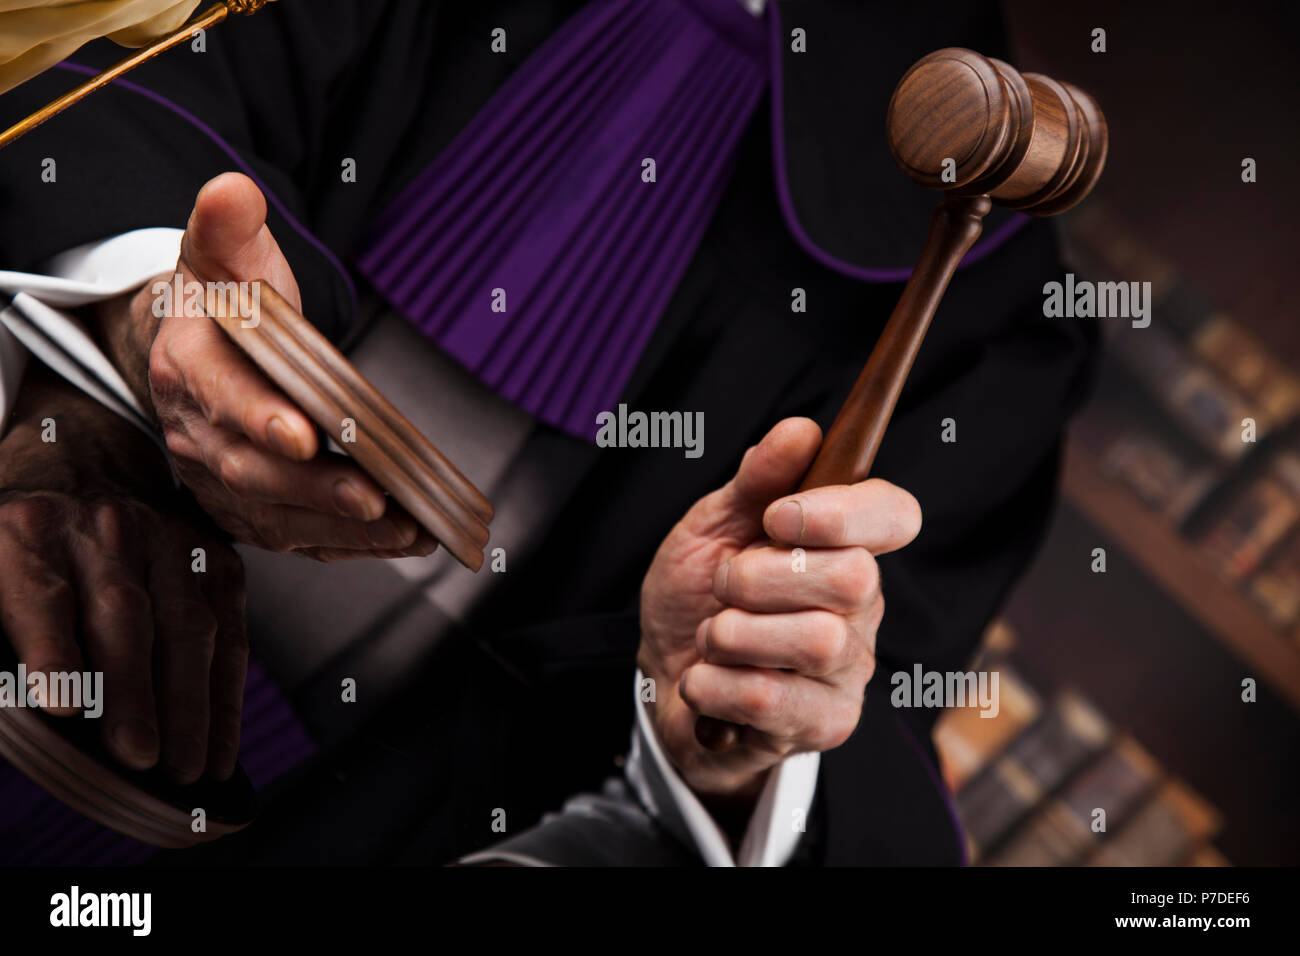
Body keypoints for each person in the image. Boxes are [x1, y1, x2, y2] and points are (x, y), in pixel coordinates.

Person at [0, 0, 1096, 865]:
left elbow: (865, 732)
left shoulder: (993, 326)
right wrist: (123, 321)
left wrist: (728, 741)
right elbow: (113, 73)